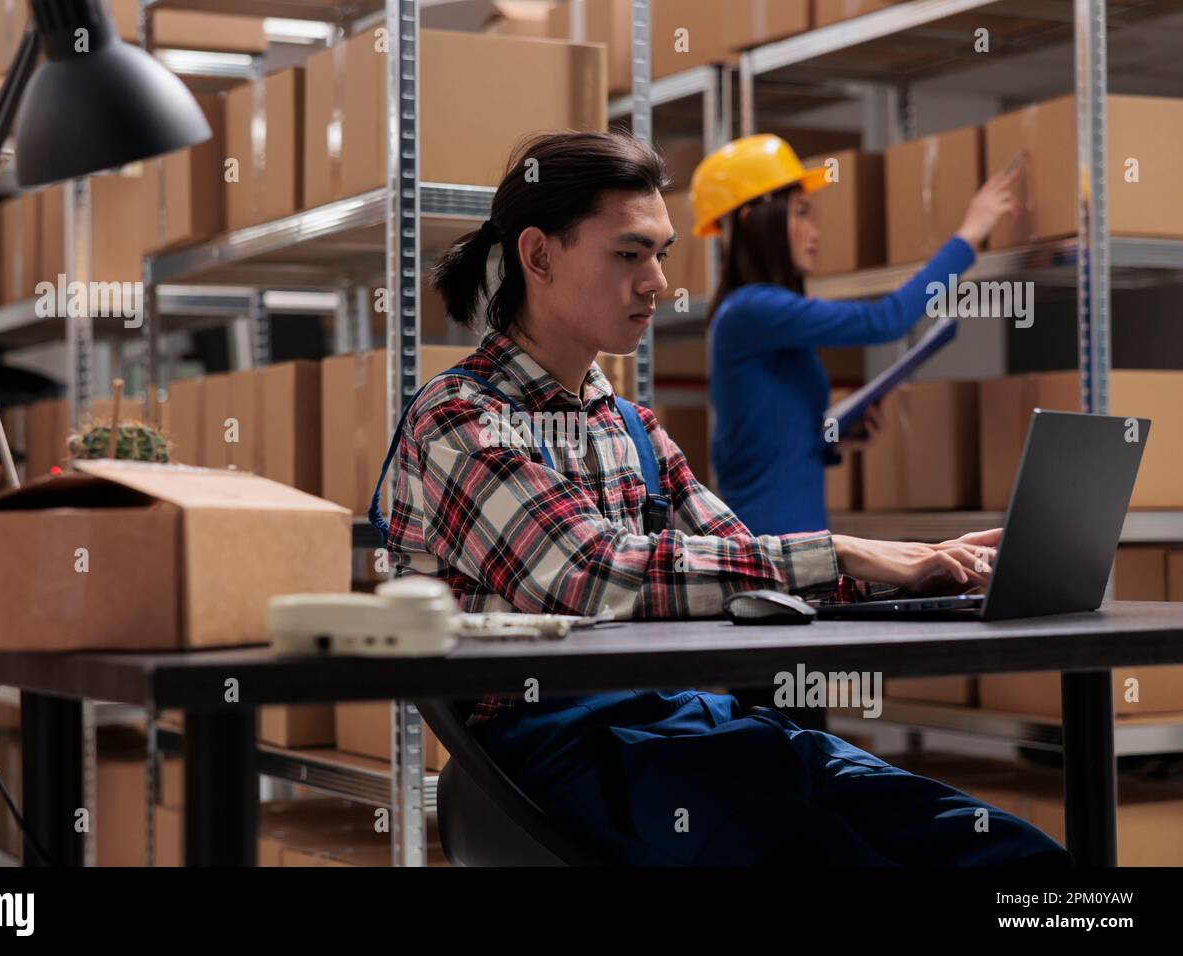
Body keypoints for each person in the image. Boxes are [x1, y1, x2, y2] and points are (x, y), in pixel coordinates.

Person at [373, 130, 1068, 866]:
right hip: (556, 753)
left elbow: (739, 562)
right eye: (628, 254)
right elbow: (595, 575)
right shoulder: (461, 418)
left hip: (677, 723)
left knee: (1010, 855)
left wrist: (929, 568)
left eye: (661, 254)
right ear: (539, 256)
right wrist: (841, 550)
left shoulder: (630, 427)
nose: (658, 284)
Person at [694, 135, 1017, 535]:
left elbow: (768, 443)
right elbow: (885, 320)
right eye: (801, 213)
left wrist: (835, 435)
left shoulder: (758, 316)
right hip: (770, 542)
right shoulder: (750, 311)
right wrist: (969, 236)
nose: (814, 231)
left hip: (795, 534)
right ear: (753, 221)